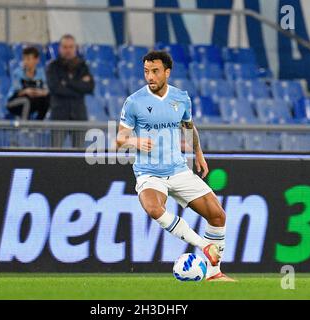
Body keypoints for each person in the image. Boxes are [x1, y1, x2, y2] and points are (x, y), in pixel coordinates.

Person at [116, 50, 235, 282]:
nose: (150, 76)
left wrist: (199, 153)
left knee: (218, 215)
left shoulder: (181, 98)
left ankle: (214, 274)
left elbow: (189, 128)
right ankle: (203, 245)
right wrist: (135, 141)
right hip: (149, 173)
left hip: (178, 170)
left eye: (155, 71)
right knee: (153, 208)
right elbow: (120, 138)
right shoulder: (134, 102)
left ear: (167, 72)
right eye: (146, 72)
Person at [46, 34, 94, 147]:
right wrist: (78, 87)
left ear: (75, 48)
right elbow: (55, 88)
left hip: (79, 116)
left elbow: (89, 87)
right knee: (55, 152)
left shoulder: (83, 66)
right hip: (59, 116)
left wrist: (67, 82)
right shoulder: (53, 67)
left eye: (71, 47)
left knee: (79, 154)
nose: (68, 50)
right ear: (60, 48)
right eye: (65, 47)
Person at [7, 46, 49, 120]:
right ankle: (24, 127)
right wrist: (25, 91)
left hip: (33, 99)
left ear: (37, 60)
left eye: (28, 59)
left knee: (47, 98)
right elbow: (17, 92)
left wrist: (42, 92)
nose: (25, 62)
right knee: (26, 100)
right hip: (14, 101)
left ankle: (39, 125)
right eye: (24, 59)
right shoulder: (18, 73)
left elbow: (46, 89)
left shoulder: (41, 73)